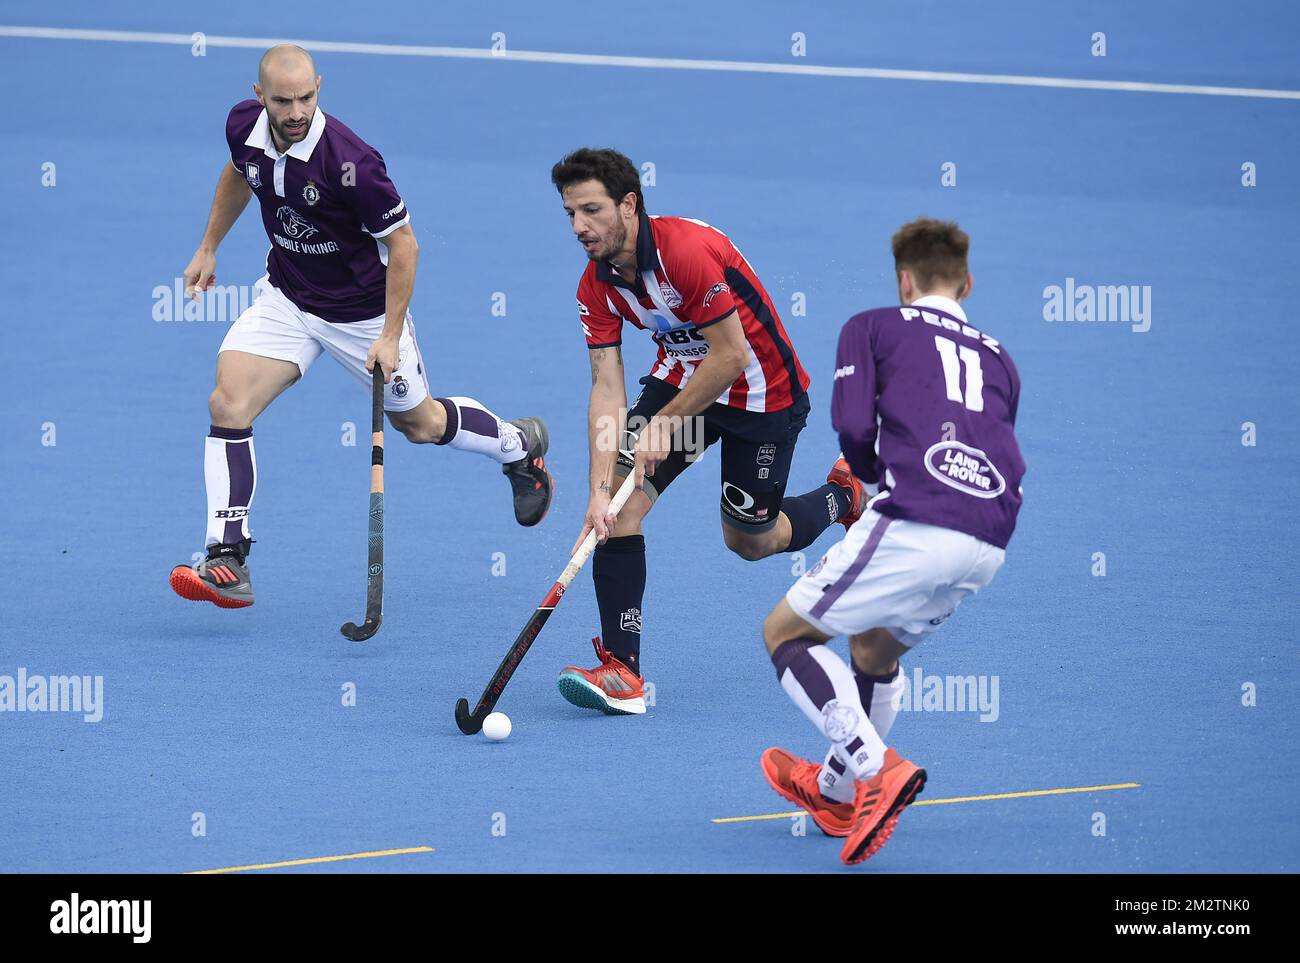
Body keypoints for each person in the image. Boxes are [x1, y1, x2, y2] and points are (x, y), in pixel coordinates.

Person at [169, 45, 552, 609]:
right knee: (228, 403)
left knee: (419, 425)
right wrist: (208, 246)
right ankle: (228, 556)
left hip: (363, 314)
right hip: (289, 298)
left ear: (319, 87)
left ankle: (520, 446)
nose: (297, 110)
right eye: (283, 101)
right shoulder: (243, 126)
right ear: (260, 99)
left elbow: (404, 244)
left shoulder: (353, 163)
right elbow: (240, 172)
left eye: (306, 97)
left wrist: (391, 334)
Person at [550, 147, 865, 714]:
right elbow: (606, 384)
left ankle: (844, 496)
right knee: (618, 512)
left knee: (750, 541)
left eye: (591, 210)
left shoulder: (685, 252)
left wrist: (665, 426)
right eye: (570, 212)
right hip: (682, 380)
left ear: (629, 205)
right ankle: (624, 673)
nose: (579, 226)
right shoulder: (595, 286)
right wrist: (600, 487)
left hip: (760, 393)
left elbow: (730, 355)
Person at [760, 218, 1025, 865]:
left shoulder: (873, 325)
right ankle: (837, 792)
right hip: (989, 540)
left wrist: (872, 474)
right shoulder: (999, 357)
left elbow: (853, 423)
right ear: (966, 282)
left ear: (904, 280)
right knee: (874, 651)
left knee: (785, 634)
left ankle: (875, 768)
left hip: (914, 519)